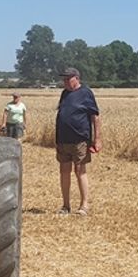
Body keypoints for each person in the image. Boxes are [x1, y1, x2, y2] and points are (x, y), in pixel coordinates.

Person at [55, 67, 101, 216]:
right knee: (64, 171)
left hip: (80, 139)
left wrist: (97, 139)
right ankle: (65, 206)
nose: (65, 81)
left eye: (68, 78)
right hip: (63, 139)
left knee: (80, 171)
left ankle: (84, 205)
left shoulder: (86, 93)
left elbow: (95, 117)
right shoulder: (65, 93)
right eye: (64, 79)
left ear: (77, 78)